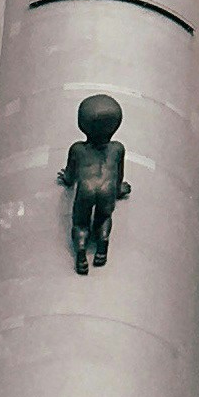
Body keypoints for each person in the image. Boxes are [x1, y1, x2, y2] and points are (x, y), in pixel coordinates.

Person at [56, 95, 132, 273]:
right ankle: (102, 246)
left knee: (81, 223)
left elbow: (70, 175)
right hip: (107, 188)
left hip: (86, 189)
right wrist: (119, 190)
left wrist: (67, 179)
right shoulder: (117, 149)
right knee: (104, 218)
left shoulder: (77, 149)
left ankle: (81, 254)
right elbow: (118, 176)